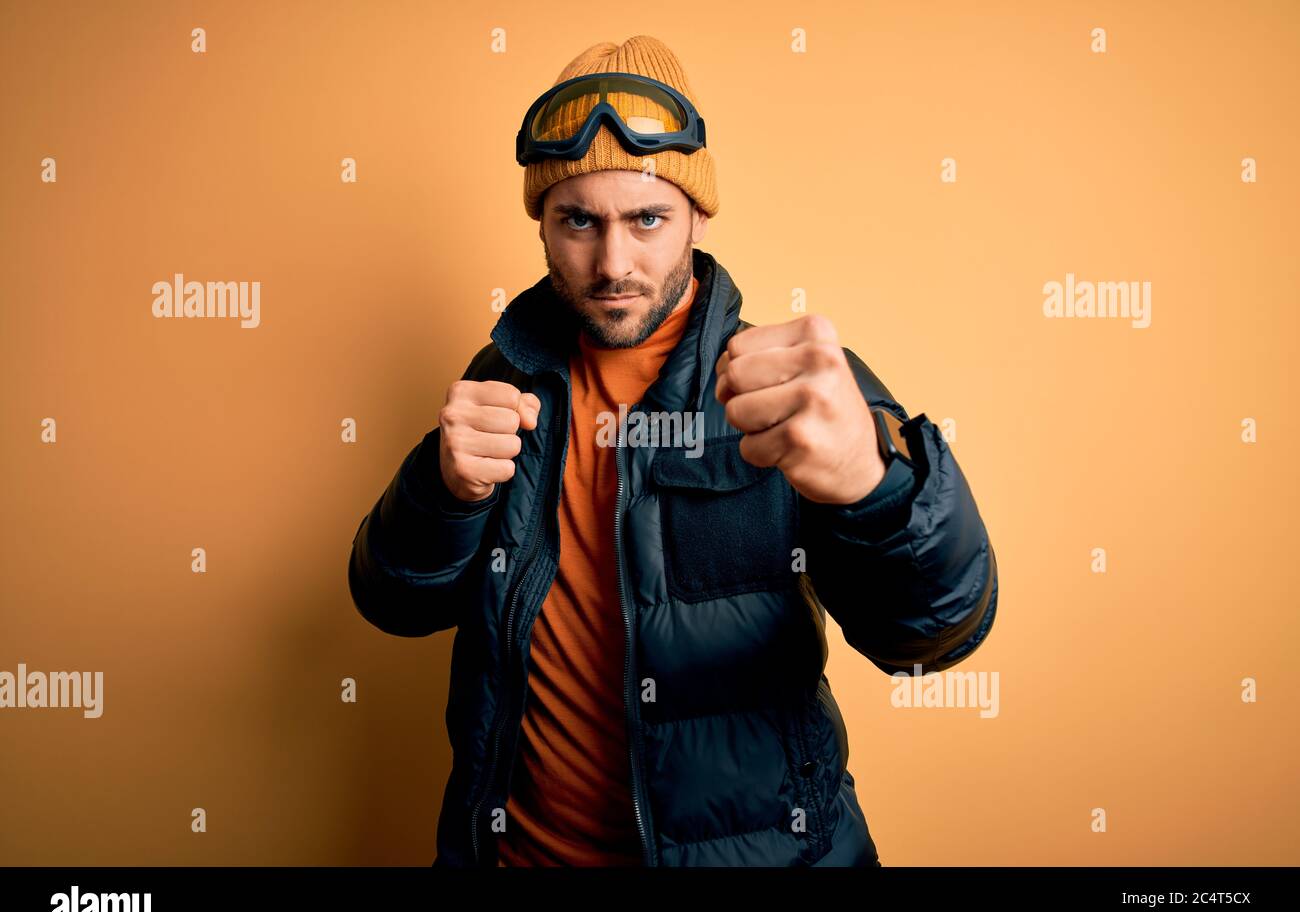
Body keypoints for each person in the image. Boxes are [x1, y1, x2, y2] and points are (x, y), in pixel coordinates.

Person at [348, 35, 998, 867]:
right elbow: (390, 603)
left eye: (646, 218)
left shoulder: (791, 387)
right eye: (578, 220)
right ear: (543, 224)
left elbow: (938, 632)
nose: (613, 263)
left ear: (697, 214)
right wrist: (441, 492)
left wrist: (870, 487)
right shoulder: (504, 374)